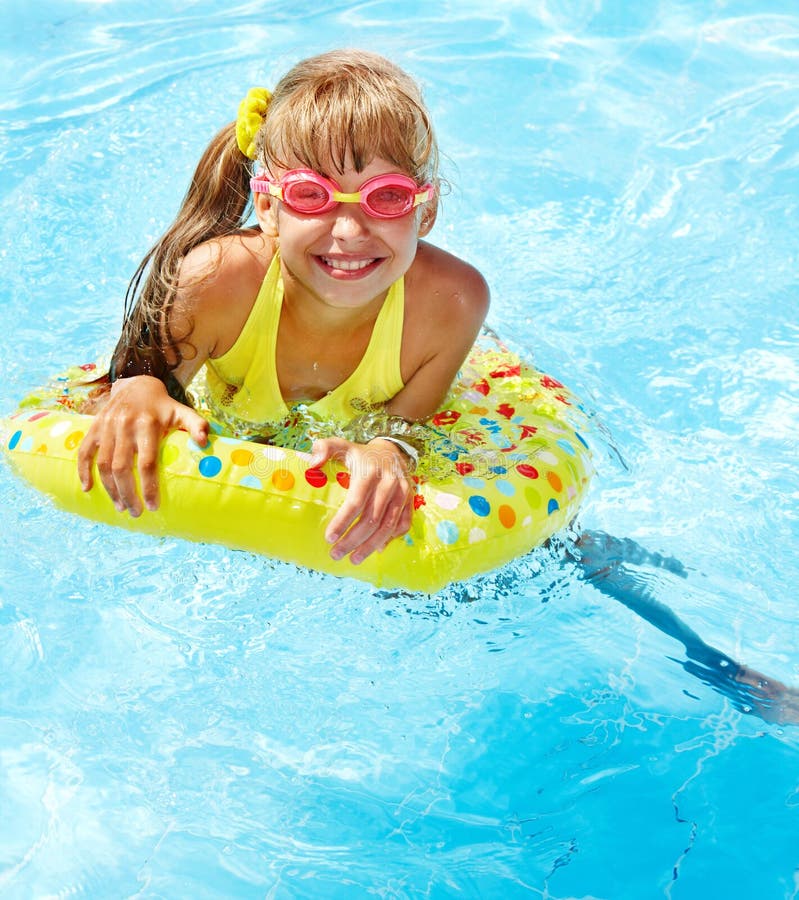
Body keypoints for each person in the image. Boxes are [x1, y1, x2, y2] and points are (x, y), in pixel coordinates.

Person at [76, 49, 489, 566]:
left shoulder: (451, 304)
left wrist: (388, 452)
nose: (349, 231)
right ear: (268, 208)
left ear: (424, 212)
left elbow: (405, 431)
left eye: (386, 197)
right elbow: (136, 373)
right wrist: (137, 389)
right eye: (311, 195)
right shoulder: (217, 281)